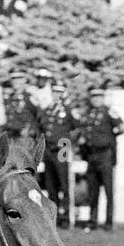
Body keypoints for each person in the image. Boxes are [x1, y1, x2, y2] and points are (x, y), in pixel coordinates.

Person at [76, 86, 124, 232]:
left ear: (103, 98)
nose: (96, 100)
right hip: (91, 156)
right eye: (94, 97)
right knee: (93, 191)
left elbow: (123, 127)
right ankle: (92, 221)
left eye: (99, 97)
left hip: (105, 155)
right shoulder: (88, 114)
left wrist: (110, 137)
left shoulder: (108, 112)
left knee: (108, 191)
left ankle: (109, 222)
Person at [39, 81, 77, 228]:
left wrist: (68, 141)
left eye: (60, 93)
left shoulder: (67, 111)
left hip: (63, 147)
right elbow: (41, 127)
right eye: (55, 93)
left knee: (63, 182)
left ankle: (66, 217)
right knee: (50, 183)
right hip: (49, 148)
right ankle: (53, 217)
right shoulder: (46, 110)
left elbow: (75, 128)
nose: (57, 96)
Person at [3, 70, 42, 140]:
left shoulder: (30, 97)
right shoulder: (9, 98)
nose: (16, 81)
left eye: (19, 78)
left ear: (25, 80)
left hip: (25, 136)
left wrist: (30, 129)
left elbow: (39, 116)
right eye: (13, 78)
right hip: (10, 136)